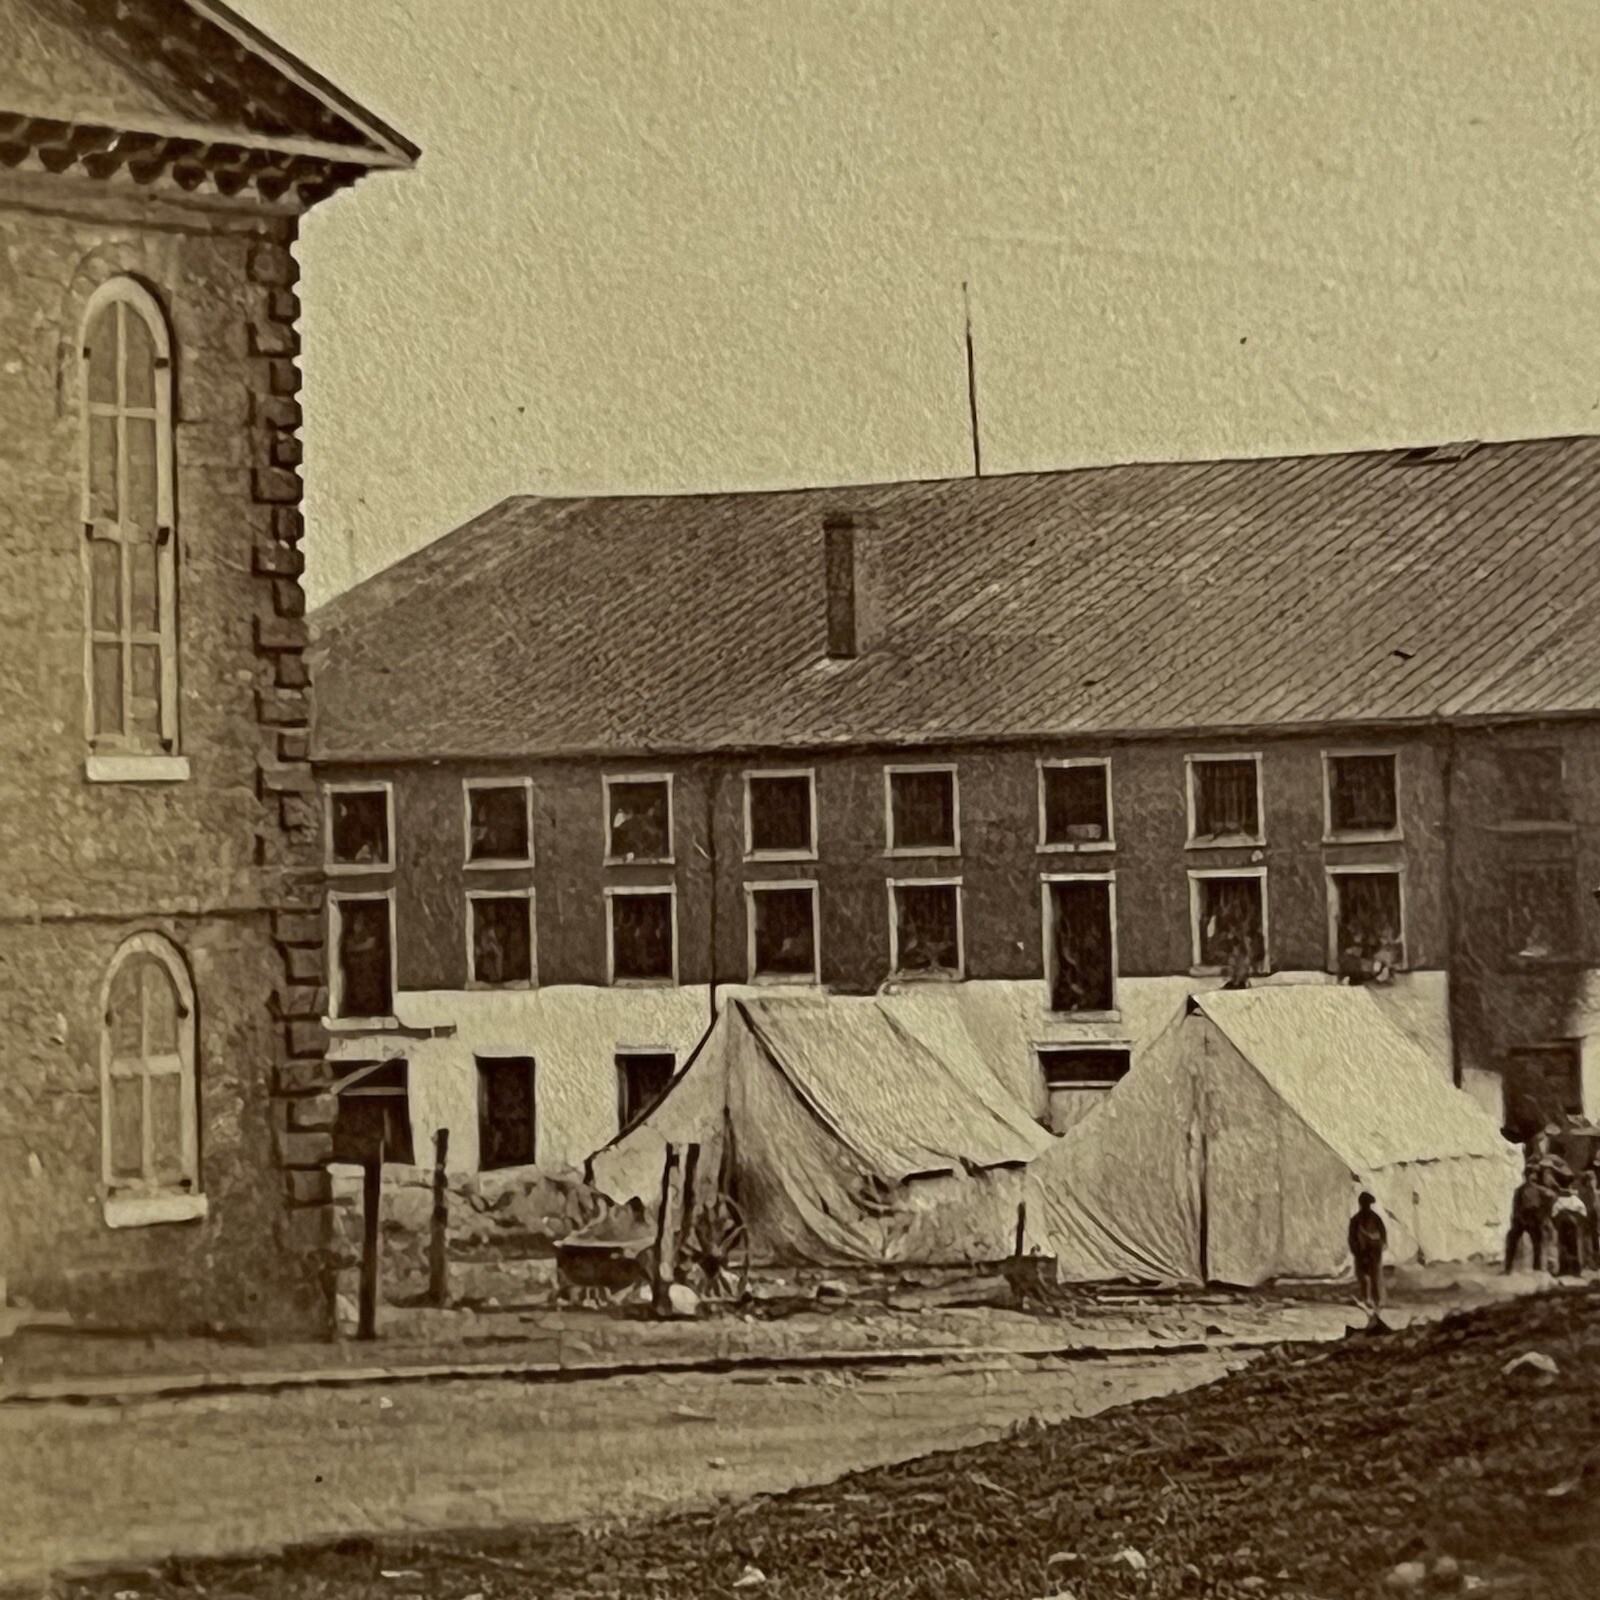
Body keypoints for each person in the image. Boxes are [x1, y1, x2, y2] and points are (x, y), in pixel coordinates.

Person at [1348, 1192, 1388, 1327]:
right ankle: (1367, 1299)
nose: (1366, 1206)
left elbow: (1383, 1236)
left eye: (1368, 1204)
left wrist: (1378, 1245)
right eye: (1365, 1204)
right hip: (1362, 1253)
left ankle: (1376, 1301)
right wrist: (1356, 1251)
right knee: (1364, 1277)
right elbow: (1352, 1238)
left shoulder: (1375, 1219)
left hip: (1373, 1253)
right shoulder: (1355, 1220)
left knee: (1375, 1276)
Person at [1505, 1171, 1552, 1273]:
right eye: (1528, 1175)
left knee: (1537, 1243)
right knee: (1512, 1239)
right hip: (1521, 1218)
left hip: (1534, 1218)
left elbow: (1547, 1204)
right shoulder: (1519, 1190)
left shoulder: (1540, 1191)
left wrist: (1542, 1217)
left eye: (1532, 1175)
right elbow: (1516, 1206)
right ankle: (1508, 1268)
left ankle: (1537, 1268)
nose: (1530, 1178)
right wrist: (1518, 1219)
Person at [1551, 1181, 1587, 1277]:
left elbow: (1583, 1215)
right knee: (1565, 1248)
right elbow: (1554, 1215)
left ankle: (1574, 1270)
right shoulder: (1561, 1201)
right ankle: (1565, 1270)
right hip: (1564, 1228)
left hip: (1573, 1228)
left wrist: (1572, 1217)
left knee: (1573, 1247)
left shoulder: (1572, 1200)